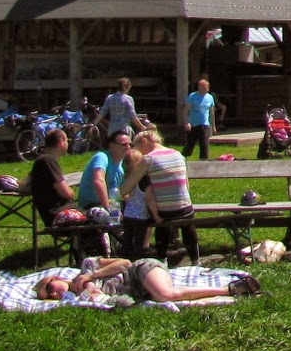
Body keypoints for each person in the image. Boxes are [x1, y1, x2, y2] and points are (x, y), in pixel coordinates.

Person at [35, 255, 259, 304]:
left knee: (165, 295)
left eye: (50, 287)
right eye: (49, 296)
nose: (54, 293)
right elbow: (126, 303)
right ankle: (234, 289)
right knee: (164, 295)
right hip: (141, 291)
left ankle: (229, 290)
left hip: (140, 270)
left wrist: (92, 276)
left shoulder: (86, 266)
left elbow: (124, 263)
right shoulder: (81, 300)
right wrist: (101, 297)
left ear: (54, 277)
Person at [121, 129, 199, 267]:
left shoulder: (148, 159)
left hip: (165, 213)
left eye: (137, 147)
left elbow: (126, 188)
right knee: (187, 222)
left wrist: (119, 191)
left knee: (155, 215)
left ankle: (162, 259)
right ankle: (195, 260)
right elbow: (187, 185)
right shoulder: (178, 154)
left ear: (144, 141)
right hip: (186, 209)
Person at [77, 130, 131, 254]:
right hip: (92, 206)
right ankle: (113, 251)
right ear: (112, 145)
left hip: (113, 204)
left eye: (130, 144)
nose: (127, 147)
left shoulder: (122, 165)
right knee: (109, 218)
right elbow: (98, 180)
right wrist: (109, 207)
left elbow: (123, 192)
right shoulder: (102, 157)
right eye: (123, 144)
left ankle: (131, 248)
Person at [29, 129, 74, 226]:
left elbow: (23, 185)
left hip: (57, 214)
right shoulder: (47, 161)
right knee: (100, 218)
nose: (67, 143)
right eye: (67, 140)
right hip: (60, 215)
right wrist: (72, 192)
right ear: (61, 141)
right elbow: (66, 193)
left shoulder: (42, 160)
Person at [183, 79, 216, 161]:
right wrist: (186, 122)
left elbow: (212, 112)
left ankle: (204, 160)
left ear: (208, 88)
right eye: (201, 87)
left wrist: (213, 126)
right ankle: (183, 156)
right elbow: (186, 110)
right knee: (190, 145)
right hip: (193, 124)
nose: (203, 89)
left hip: (205, 124)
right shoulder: (192, 96)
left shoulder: (210, 97)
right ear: (198, 87)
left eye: (205, 88)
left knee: (204, 143)